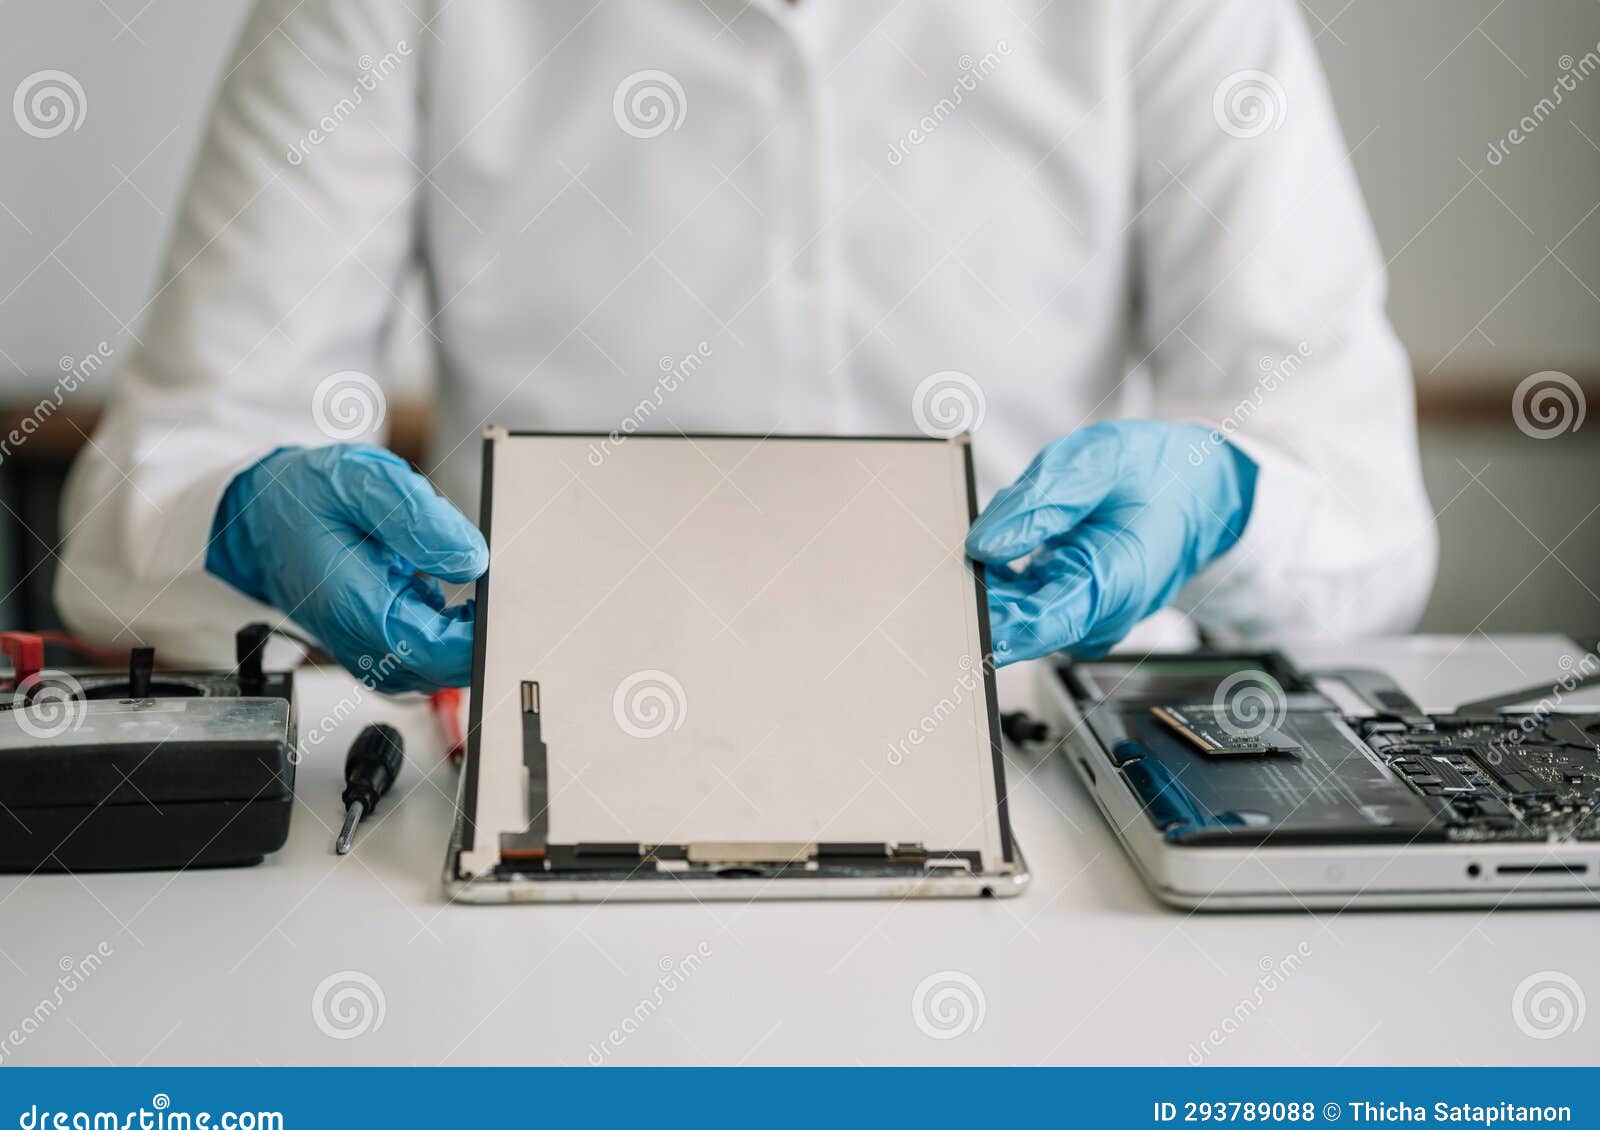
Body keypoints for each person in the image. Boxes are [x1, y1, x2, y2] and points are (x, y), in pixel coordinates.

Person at [58, 0, 1435, 692]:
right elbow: (138, 502)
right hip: (534, 758)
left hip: (1056, 765)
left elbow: (1365, 513)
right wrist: (244, 517)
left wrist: (1222, 501)